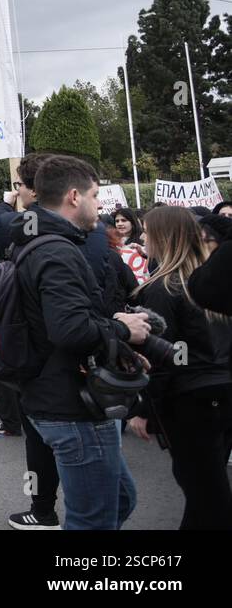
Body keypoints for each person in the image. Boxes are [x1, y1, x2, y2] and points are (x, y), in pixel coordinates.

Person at [12, 155, 152, 530]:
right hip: (71, 406)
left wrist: (112, 322)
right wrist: (123, 331)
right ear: (74, 196)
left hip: (57, 397)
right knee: (92, 522)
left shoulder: (44, 242)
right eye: (95, 194)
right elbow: (69, 330)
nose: (100, 204)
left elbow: (61, 319)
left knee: (121, 499)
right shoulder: (56, 250)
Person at [126, 206, 231, 529]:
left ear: (164, 237)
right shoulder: (208, 283)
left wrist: (143, 408)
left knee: (206, 495)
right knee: (208, 493)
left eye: (147, 231)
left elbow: (164, 359)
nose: (142, 237)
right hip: (221, 395)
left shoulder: (164, 289)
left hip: (190, 400)